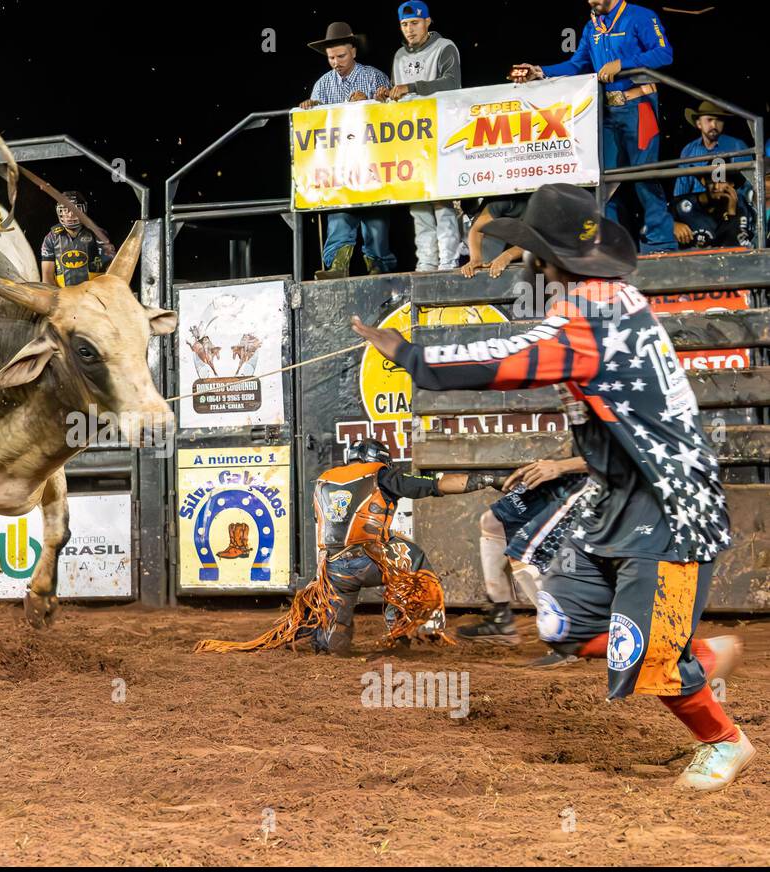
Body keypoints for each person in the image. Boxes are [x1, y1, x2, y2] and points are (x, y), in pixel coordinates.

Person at [354, 182, 754, 791]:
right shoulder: (607, 300)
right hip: (623, 494)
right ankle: (690, 654)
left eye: (530, 254)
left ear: (549, 260)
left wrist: (410, 355)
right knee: (563, 624)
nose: (524, 265)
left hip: (671, 504)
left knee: (645, 656)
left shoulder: (589, 317)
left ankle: (725, 741)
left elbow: (508, 359)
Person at [196, 438, 506, 656]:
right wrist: (488, 479)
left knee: (334, 639)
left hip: (334, 567)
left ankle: (329, 638)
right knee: (412, 556)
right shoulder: (381, 474)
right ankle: (414, 628)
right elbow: (436, 484)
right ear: (379, 459)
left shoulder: (324, 480)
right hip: (373, 560)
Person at [510, 0, 678, 253]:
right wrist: (540, 71)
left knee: (645, 176)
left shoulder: (640, 16)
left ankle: (661, 243)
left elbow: (664, 53)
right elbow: (578, 64)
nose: (591, 1)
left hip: (638, 105)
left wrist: (624, 63)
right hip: (607, 112)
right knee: (603, 182)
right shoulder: (592, 26)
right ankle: (609, 245)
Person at [299, 22, 397, 278]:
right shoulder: (322, 85)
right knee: (339, 219)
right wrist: (312, 107)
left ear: (353, 51)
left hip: (372, 163)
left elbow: (392, 116)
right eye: (331, 57)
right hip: (338, 167)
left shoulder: (374, 76)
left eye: (340, 56)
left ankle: (379, 270)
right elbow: (315, 127)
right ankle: (337, 267)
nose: (335, 62)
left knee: (375, 221)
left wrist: (371, 102)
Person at [456, 456, 588, 644]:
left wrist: (560, 466)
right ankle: (501, 619)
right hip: (567, 473)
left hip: (593, 482)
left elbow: (620, 453)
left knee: (524, 548)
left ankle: (563, 634)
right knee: (493, 522)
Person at [376, 2, 463, 272]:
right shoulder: (399, 55)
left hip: (442, 132)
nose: (409, 29)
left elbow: (452, 83)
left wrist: (412, 86)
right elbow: (398, 91)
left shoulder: (445, 47)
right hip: (411, 137)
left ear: (427, 22)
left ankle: (449, 260)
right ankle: (426, 261)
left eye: (414, 23)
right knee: (418, 201)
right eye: (404, 25)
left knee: (442, 200)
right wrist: (387, 94)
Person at [673, 101, 749, 200]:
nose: (714, 125)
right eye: (709, 120)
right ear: (699, 123)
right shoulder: (688, 151)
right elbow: (681, 189)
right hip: (699, 209)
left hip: (731, 206)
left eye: (719, 120)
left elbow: (749, 185)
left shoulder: (737, 146)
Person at [39, 191, 115, 287]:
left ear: (83, 210)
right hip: (62, 295)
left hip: (93, 294)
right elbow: (47, 277)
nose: (70, 214)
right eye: (65, 210)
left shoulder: (98, 234)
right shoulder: (51, 237)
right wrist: (54, 298)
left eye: (75, 210)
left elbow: (112, 270)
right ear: (60, 211)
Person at [671, 174, 755, 250]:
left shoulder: (741, 206)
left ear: (732, 184)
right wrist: (671, 225)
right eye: (712, 181)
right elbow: (659, 224)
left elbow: (737, 248)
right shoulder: (680, 204)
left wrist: (731, 214)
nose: (716, 187)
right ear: (704, 181)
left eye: (721, 181)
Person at [460, 195, 530, 277]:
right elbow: (477, 230)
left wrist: (507, 256)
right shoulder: (502, 201)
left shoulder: (542, 210)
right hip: (506, 228)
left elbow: (536, 241)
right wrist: (475, 259)